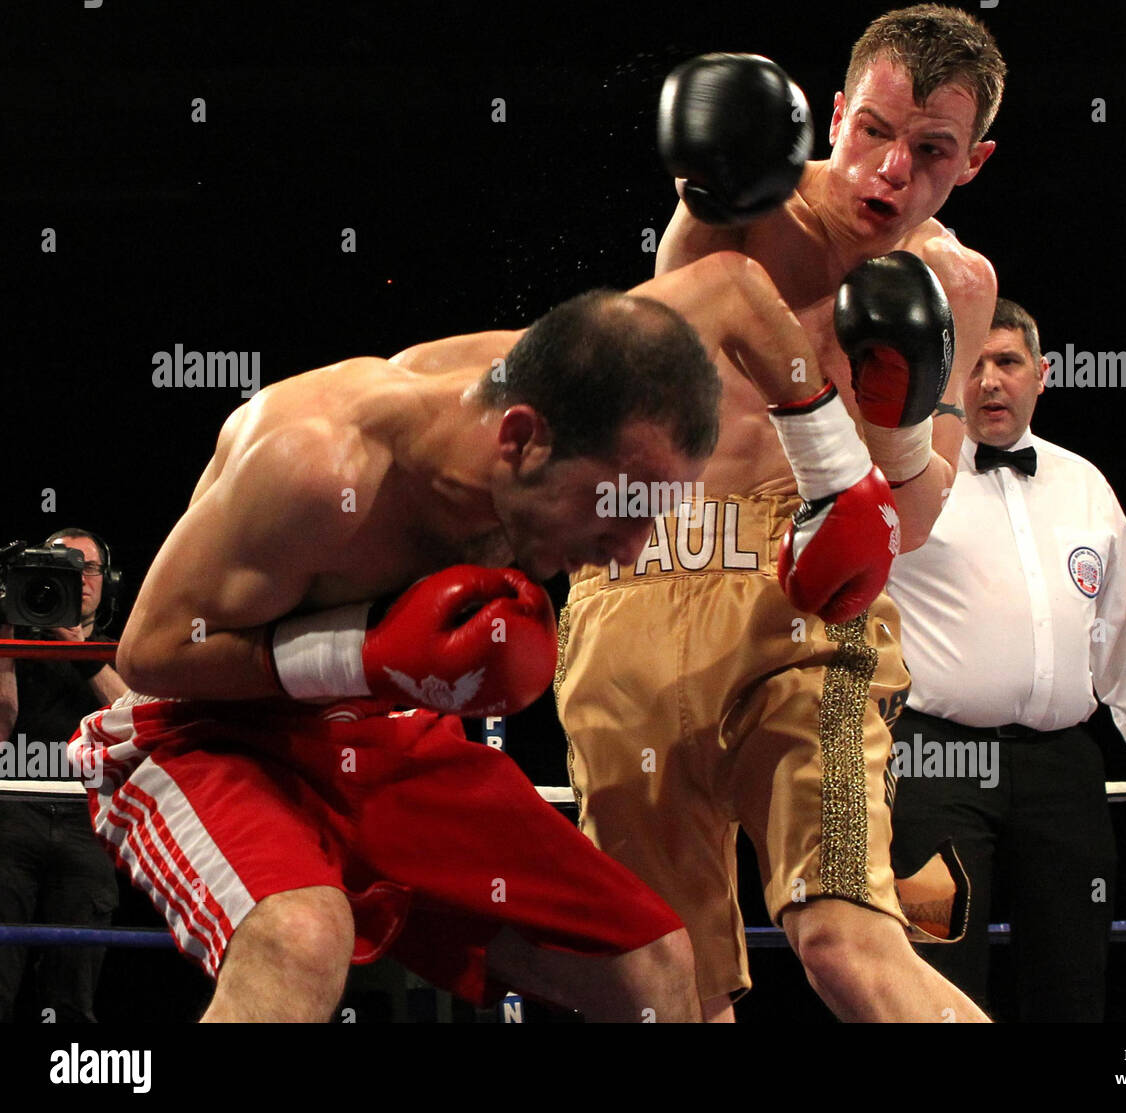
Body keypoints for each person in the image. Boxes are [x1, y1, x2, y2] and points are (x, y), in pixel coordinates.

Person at [68, 252, 894, 1022]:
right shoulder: (317, 464)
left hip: (381, 726)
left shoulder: (589, 367)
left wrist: (836, 471)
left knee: (652, 960)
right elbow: (151, 651)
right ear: (520, 440)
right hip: (206, 729)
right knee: (301, 937)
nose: (631, 549)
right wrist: (359, 651)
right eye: (616, 508)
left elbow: (731, 286)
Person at [556, 3, 1004, 1021]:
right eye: (875, 133)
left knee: (847, 941)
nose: (892, 171)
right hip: (645, 591)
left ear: (971, 161)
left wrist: (893, 434)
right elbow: (649, 369)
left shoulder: (960, 287)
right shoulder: (739, 205)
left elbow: (918, 514)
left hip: (815, 615)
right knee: (667, 989)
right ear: (837, 114)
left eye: (930, 152)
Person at [886, 298, 1126, 1020]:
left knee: (1072, 973)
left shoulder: (1085, 483)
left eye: (1009, 362)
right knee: (938, 974)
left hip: (1063, 766)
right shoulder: (906, 474)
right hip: (937, 761)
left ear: (1043, 375)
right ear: (948, 375)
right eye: (975, 364)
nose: (991, 381)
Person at [0, 528, 129, 1022]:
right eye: (59, 567)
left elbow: (131, 716)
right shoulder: (10, 643)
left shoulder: (126, 646)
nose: (74, 578)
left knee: (72, 994)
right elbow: (3, 722)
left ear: (106, 581)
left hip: (87, 820)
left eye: (85, 568)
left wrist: (73, 643)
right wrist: (10, 629)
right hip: (12, 812)